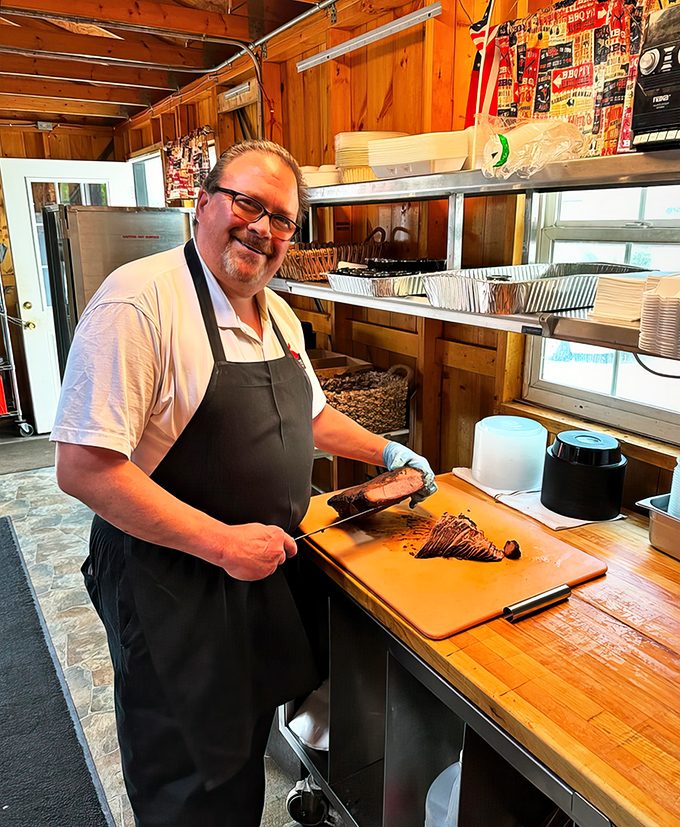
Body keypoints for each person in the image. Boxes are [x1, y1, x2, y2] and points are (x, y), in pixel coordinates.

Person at [51, 139, 437, 827]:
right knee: (187, 783)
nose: (263, 226)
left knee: (237, 759)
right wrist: (222, 544)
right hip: (173, 584)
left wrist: (385, 450)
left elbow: (312, 415)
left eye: (282, 217)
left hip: (256, 577)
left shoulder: (279, 313)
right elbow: (84, 466)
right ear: (202, 202)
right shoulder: (140, 303)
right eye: (247, 203)